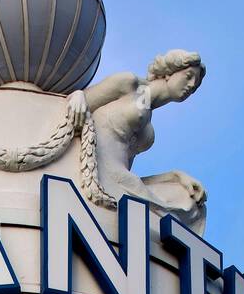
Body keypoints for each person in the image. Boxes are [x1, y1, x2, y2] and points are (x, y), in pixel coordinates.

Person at [71, 50, 208, 232]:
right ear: (168, 72)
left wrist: (176, 177)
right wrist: (78, 96)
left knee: (191, 202)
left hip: (122, 181)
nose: (191, 86)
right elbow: (82, 100)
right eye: (188, 76)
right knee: (170, 218)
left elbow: (125, 171)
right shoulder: (129, 84)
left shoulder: (148, 126)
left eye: (196, 85)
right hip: (94, 172)